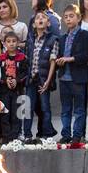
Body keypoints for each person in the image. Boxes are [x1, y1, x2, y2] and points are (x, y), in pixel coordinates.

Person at [54, 4, 88, 141]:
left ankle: (77, 135)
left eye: (71, 16)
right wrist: (58, 61)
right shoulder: (62, 37)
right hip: (64, 77)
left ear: (79, 17)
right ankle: (65, 135)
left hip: (78, 78)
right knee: (65, 109)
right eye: (66, 17)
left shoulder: (85, 35)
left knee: (79, 109)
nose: (68, 19)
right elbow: (59, 54)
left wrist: (71, 59)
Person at [26, 10, 58, 140]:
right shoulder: (30, 40)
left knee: (45, 107)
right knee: (28, 107)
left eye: (43, 18)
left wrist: (48, 81)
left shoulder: (52, 40)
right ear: (33, 24)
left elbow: (53, 62)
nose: (40, 19)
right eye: (37, 18)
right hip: (31, 79)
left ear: (48, 23)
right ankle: (26, 134)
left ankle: (46, 134)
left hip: (44, 79)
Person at [0, 31, 27, 144]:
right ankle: (6, 137)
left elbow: (25, 73)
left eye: (14, 41)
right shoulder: (1, 58)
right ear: (4, 43)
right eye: (8, 41)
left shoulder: (22, 57)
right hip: (4, 90)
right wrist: (5, 80)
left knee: (16, 114)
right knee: (5, 114)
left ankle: (15, 136)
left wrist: (16, 80)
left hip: (18, 91)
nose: (11, 44)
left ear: (18, 42)